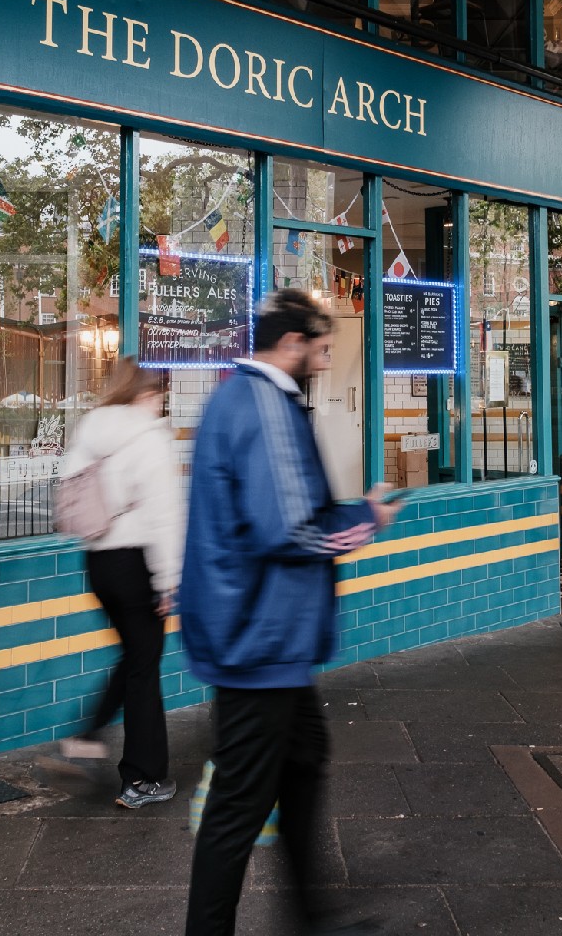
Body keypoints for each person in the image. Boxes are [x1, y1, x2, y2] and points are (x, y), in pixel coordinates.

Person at [182, 288, 398, 936]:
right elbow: (288, 529)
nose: (327, 363)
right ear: (291, 344)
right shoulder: (263, 403)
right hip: (259, 641)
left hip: (267, 637)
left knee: (304, 761)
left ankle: (311, 918)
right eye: (322, 349)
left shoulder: (240, 398)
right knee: (237, 809)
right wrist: (367, 519)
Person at [56, 357, 187, 808]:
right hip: (137, 566)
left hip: (98, 562)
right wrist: (169, 580)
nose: (160, 406)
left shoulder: (90, 429)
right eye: (158, 397)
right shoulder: (150, 439)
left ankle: (86, 740)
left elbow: (69, 487)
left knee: (135, 657)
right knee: (144, 668)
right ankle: (143, 779)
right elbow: (165, 515)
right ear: (145, 395)